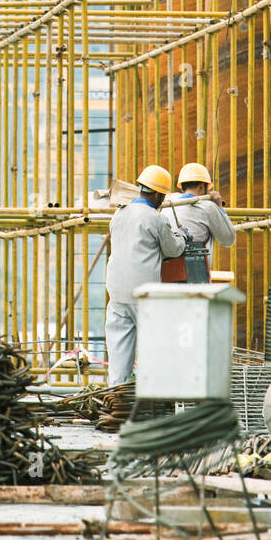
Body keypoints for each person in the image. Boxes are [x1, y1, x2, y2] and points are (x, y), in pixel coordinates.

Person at [104, 164, 186, 387]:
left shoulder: (118, 214)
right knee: (155, 350)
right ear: (159, 194)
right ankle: (153, 403)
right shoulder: (156, 218)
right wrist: (182, 236)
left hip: (117, 293)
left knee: (119, 356)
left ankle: (117, 401)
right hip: (143, 295)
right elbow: (173, 249)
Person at [161, 162, 237, 274]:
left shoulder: (168, 203)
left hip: (166, 274)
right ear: (202, 186)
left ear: (182, 188)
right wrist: (219, 207)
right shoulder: (208, 207)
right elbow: (228, 239)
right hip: (195, 274)